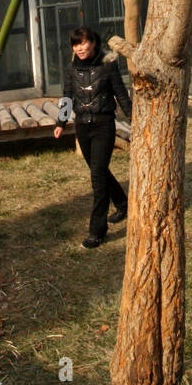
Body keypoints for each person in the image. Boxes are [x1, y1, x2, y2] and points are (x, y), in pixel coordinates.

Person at [56, 26, 131, 248]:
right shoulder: (71, 70)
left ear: (94, 43)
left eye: (84, 43)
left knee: (97, 178)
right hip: (83, 127)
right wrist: (60, 123)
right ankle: (123, 204)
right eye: (76, 44)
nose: (80, 47)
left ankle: (97, 231)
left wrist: (134, 117)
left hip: (103, 126)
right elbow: (67, 96)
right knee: (99, 171)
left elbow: (121, 94)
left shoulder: (108, 66)